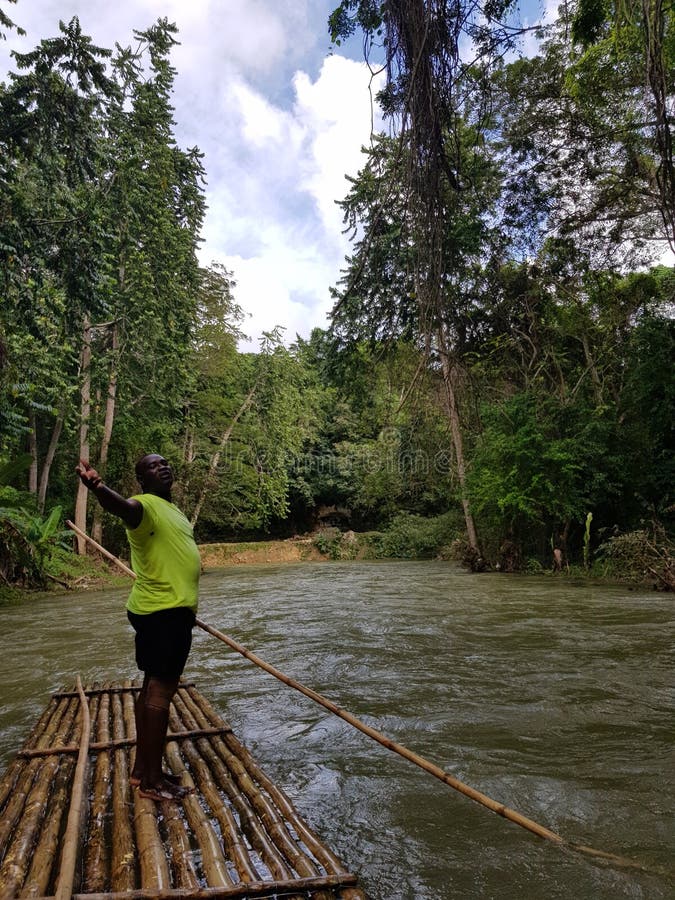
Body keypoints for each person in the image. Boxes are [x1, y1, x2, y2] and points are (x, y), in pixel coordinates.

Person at [76, 453, 201, 802]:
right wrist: (98, 488)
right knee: (161, 693)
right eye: (152, 465)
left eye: (164, 462)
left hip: (166, 610)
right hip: (164, 611)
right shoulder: (143, 505)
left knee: (151, 689)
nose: (163, 466)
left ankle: (143, 771)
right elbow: (124, 509)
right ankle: (151, 784)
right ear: (142, 479)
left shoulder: (171, 510)